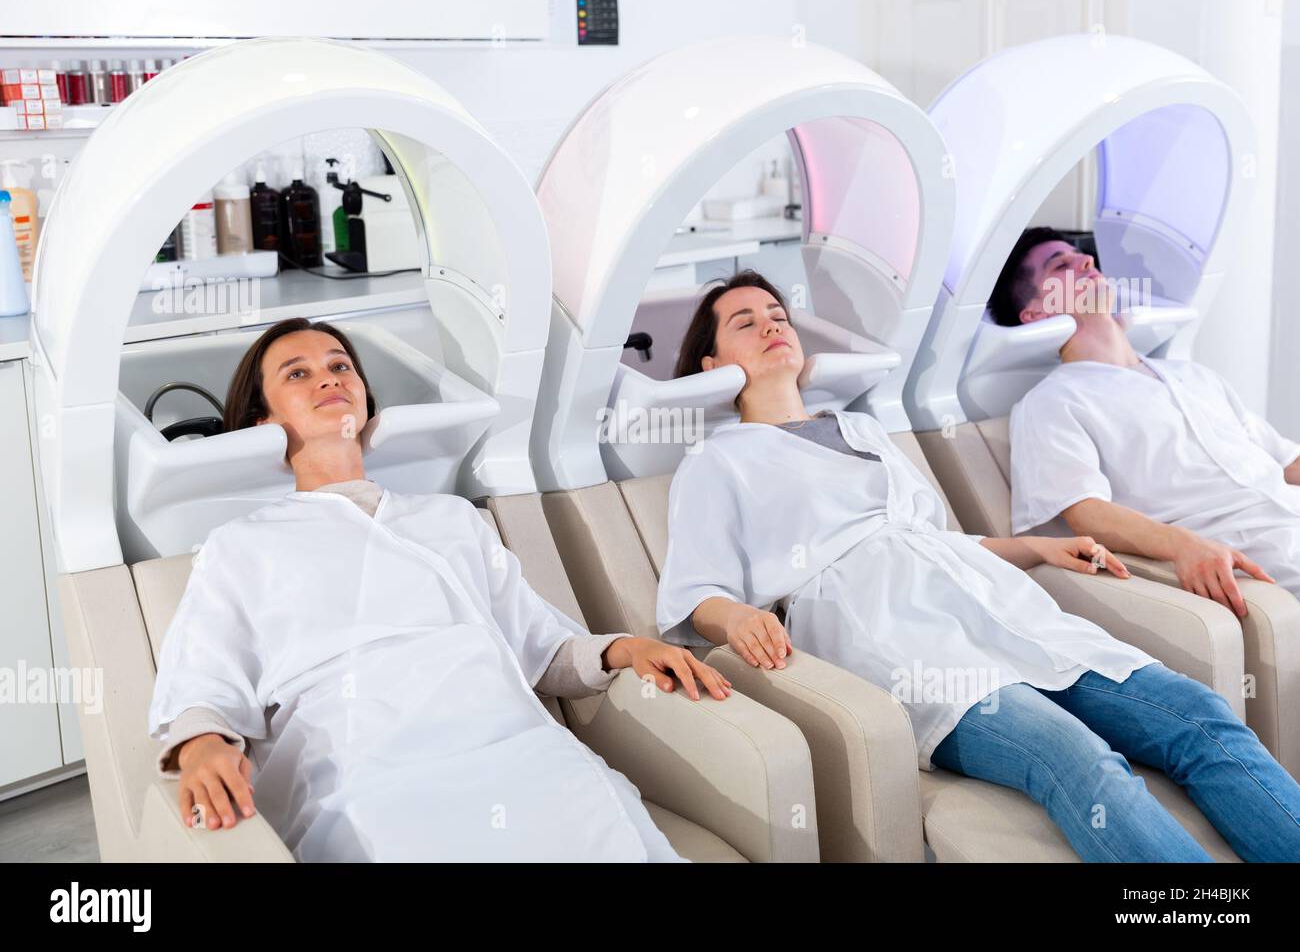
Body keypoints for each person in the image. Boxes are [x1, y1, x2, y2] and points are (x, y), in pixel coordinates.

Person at [656, 269, 1300, 862]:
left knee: (1201, 716)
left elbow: (936, 539)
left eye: (778, 314)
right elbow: (693, 592)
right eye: (746, 322)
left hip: (1002, 610)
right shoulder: (718, 461)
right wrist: (735, 617)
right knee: (1080, 759)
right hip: (898, 641)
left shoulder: (863, 431)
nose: (772, 325)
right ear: (712, 365)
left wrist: (1039, 548)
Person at [148, 316, 732, 862]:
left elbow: (542, 647)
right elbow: (205, 673)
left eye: (340, 365)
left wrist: (628, 648)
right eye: (297, 373)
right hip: (366, 773)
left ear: (365, 400)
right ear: (263, 422)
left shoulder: (448, 519)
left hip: (516, 748)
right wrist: (202, 744)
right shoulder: (243, 543)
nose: (328, 377)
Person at [997, 226, 1300, 620]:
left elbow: (1286, 461)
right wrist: (1181, 545)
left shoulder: (1194, 376)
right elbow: (1085, 511)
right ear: (1036, 313)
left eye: (1081, 256)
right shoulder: (1052, 402)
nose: (1086, 260)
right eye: (1062, 265)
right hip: (1263, 548)